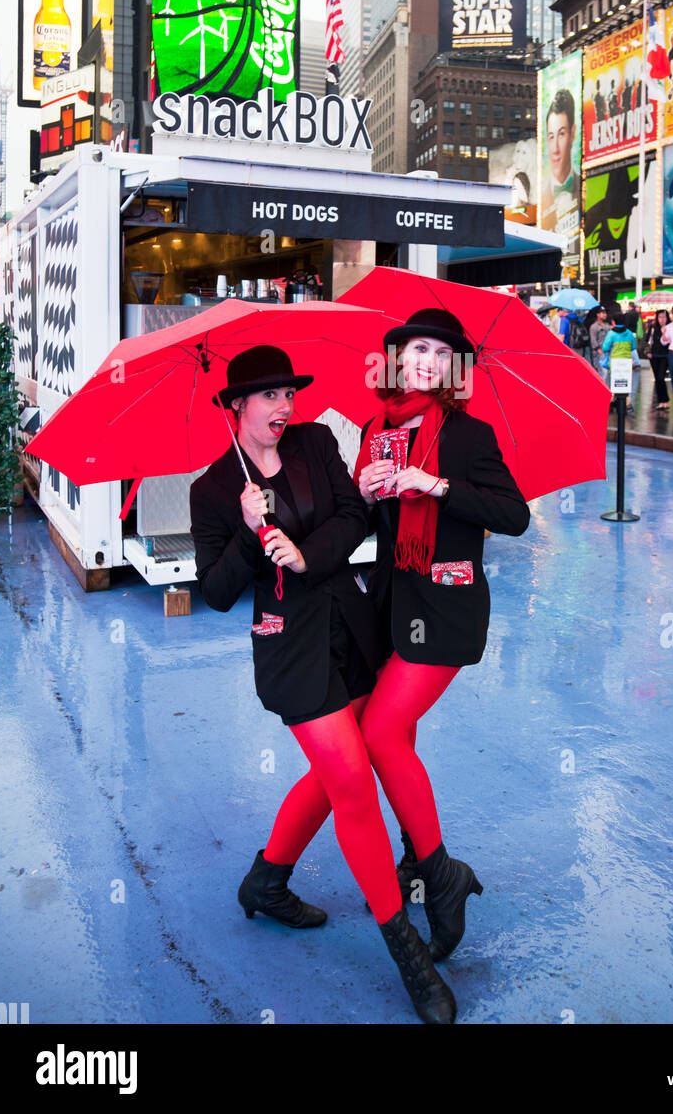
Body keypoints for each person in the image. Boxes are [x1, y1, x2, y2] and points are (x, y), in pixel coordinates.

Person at [189, 345, 457, 1025]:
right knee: (352, 785)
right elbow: (214, 592)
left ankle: (267, 879)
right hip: (290, 652)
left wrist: (307, 554)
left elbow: (353, 515)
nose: (285, 408)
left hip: (352, 625)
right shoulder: (216, 489)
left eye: (289, 394)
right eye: (270, 397)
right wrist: (252, 536)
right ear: (237, 406)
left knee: (341, 768)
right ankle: (409, 957)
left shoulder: (313, 442)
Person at [355, 308, 530, 963]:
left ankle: (440, 872)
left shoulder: (467, 434)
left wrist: (440, 486)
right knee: (397, 737)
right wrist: (365, 490)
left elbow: (515, 516)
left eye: (437, 351)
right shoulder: (379, 430)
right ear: (396, 356)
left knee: (377, 733)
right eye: (413, 348)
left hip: (448, 607)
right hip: (390, 607)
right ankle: (415, 861)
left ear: (453, 366)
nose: (424, 360)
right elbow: (369, 526)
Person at [540, 87, 580, 234]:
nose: (555, 148)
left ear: (572, 134)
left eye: (561, 134)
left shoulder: (585, 188)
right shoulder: (541, 201)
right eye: (551, 136)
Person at [601, 316, 640, 414]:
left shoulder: (611, 334)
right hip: (626, 364)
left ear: (613, 321)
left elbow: (605, 348)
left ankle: (611, 403)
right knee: (625, 384)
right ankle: (627, 404)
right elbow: (633, 347)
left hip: (614, 364)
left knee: (613, 384)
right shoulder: (630, 333)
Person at [644, 308, 671, 409]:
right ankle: (661, 401)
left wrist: (664, 333)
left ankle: (665, 400)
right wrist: (648, 352)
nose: (662, 319)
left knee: (661, 377)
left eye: (664, 317)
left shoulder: (669, 327)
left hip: (665, 356)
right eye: (660, 317)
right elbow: (647, 340)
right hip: (654, 356)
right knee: (657, 379)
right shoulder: (652, 327)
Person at [589, 306, 609, 371]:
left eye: (605, 313)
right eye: (603, 313)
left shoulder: (607, 325)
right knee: (601, 372)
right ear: (597, 315)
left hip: (607, 351)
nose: (605, 315)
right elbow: (593, 340)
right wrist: (598, 350)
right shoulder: (594, 326)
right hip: (598, 353)